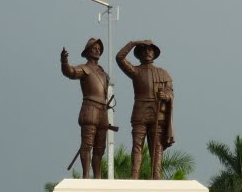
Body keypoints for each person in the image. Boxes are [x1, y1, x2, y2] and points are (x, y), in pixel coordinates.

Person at [116, 39, 174, 179]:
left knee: (157, 148)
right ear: (139, 54)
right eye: (144, 50)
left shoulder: (163, 73)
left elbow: (170, 91)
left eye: (150, 50)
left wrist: (165, 95)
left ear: (154, 54)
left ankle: (156, 176)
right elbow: (119, 57)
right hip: (140, 113)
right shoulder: (135, 71)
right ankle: (134, 176)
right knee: (137, 146)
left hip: (158, 114)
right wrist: (133, 43)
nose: (148, 52)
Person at [61, 38, 112, 179]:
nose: (97, 50)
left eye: (98, 48)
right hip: (90, 108)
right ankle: (86, 176)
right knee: (87, 145)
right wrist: (64, 62)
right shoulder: (84, 69)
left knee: (100, 148)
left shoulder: (102, 72)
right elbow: (70, 72)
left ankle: (98, 176)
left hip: (103, 110)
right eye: (94, 48)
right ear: (88, 52)